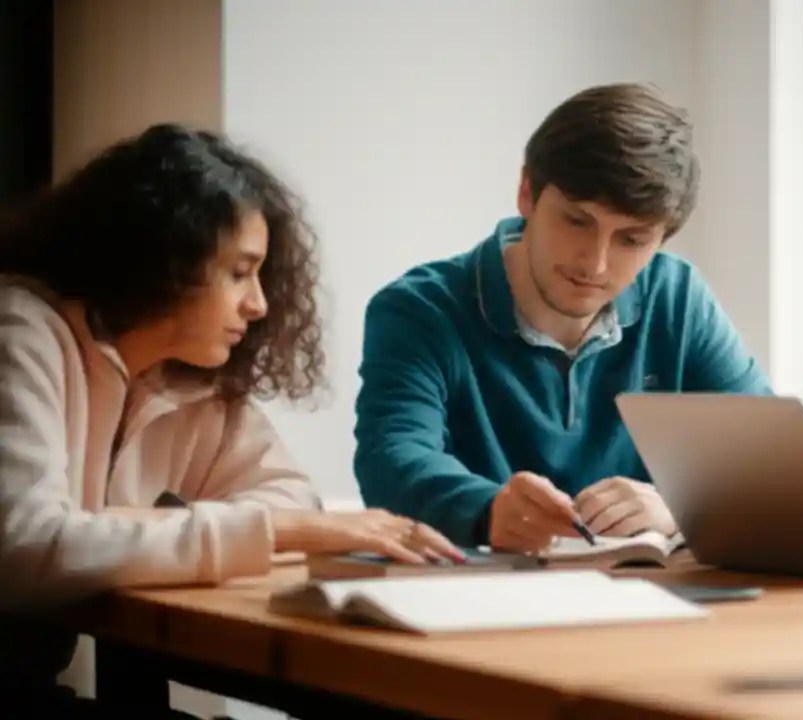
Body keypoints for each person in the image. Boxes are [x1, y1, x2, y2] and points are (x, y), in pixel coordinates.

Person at [0, 124, 461, 717]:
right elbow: (21, 549)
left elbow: (289, 492)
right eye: (240, 272)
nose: (261, 303)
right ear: (163, 259)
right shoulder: (21, 332)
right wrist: (281, 534)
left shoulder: (187, 380)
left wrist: (119, 523)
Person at [355, 83, 770, 551]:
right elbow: (390, 460)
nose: (594, 264)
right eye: (577, 221)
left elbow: (769, 459)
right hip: (478, 605)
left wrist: (680, 507)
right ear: (527, 193)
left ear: (662, 239)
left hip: (645, 602)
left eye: (631, 241)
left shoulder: (677, 298)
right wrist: (488, 511)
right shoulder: (419, 310)